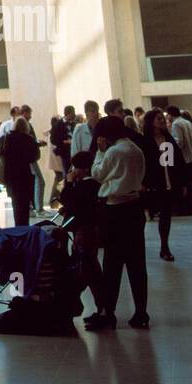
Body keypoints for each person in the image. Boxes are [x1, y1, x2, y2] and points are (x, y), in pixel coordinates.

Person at [89, 115, 149, 331]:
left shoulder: (113, 152)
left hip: (114, 210)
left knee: (112, 265)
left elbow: (97, 174)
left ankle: (108, 312)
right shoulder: (136, 149)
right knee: (137, 265)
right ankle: (141, 312)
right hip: (134, 208)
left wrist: (100, 152)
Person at [59, 148, 104, 317]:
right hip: (88, 230)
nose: (73, 171)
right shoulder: (93, 185)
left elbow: (68, 199)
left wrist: (68, 183)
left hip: (84, 232)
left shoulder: (85, 185)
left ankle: (98, 306)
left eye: (75, 168)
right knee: (91, 269)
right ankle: (101, 306)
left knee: (86, 270)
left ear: (83, 169)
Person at [137, 108, 181, 261]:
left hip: (167, 183)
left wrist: (179, 182)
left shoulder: (167, 139)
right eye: (158, 119)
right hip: (152, 184)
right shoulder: (145, 141)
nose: (162, 121)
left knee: (165, 216)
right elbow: (143, 164)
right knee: (147, 216)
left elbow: (174, 162)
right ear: (151, 122)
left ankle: (165, 247)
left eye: (162, 119)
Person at [0, 117, 38, 227]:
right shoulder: (29, 139)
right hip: (25, 174)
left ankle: (18, 226)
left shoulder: (5, 138)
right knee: (24, 203)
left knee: (15, 202)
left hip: (10, 174)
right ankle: (24, 226)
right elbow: (35, 157)